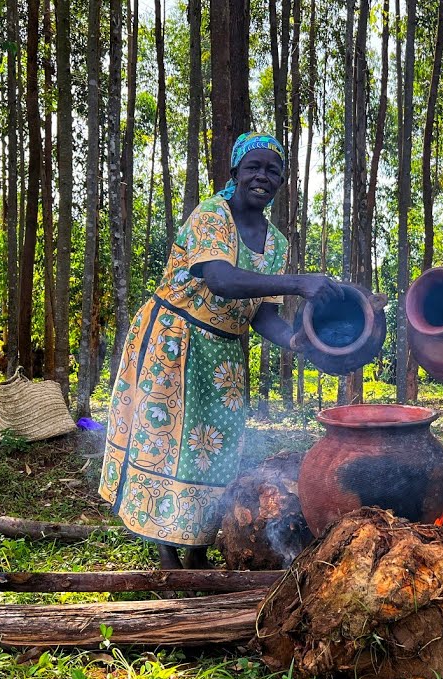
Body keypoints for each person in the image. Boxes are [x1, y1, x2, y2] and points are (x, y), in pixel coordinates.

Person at [99, 132, 339, 570]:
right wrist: (299, 283)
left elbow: (262, 315)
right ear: (235, 173)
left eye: (273, 170)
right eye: (254, 167)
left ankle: (197, 550)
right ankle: (168, 553)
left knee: (215, 452)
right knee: (171, 445)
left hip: (223, 354)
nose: (262, 177)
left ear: (282, 181)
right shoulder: (212, 215)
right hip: (174, 342)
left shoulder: (277, 243)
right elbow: (221, 280)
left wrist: (296, 341)